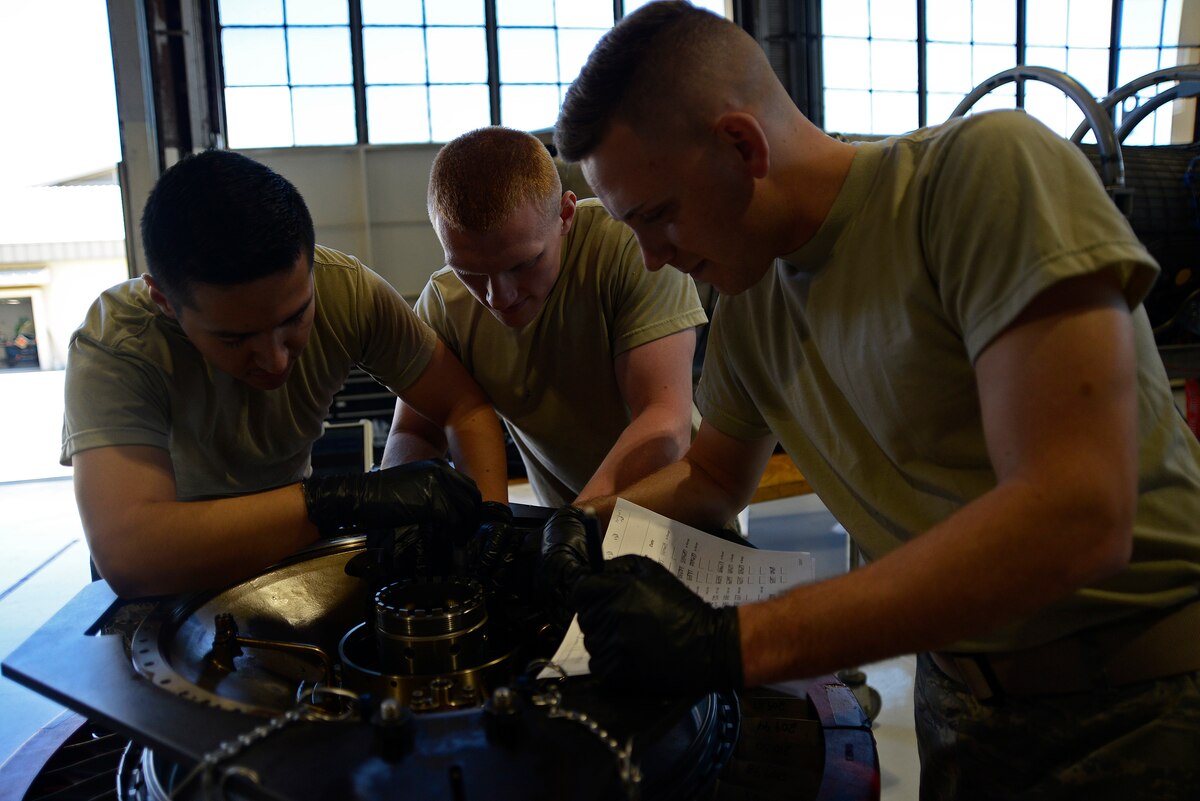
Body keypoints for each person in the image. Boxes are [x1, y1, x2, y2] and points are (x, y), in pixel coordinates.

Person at [543, 2, 1200, 798]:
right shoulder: (750, 304)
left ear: (741, 144)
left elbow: (1077, 516)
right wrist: (575, 524)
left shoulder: (979, 174)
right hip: (957, 707)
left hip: (1147, 705)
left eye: (657, 217)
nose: (649, 262)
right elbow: (713, 478)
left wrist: (728, 642)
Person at [62, 149, 510, 599]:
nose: (275, 361)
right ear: (163, 300)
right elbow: (131, 556)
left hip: (291, 550)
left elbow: (461, 406)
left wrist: (490, 522)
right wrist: (343, 501)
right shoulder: (118, 345)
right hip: (172, 576)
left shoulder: (346, 290)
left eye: (295, 318)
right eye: (236, 339)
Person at [382, 126, 707, 508]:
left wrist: (578, 522)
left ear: (565, 215)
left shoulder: (625, 248)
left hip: (681, 522)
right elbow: (416, 432)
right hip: (567, 537)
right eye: (469, 272)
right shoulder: (443, 304)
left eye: (523, 265)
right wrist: (396, 512)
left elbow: (664, 422)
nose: (497, 297)